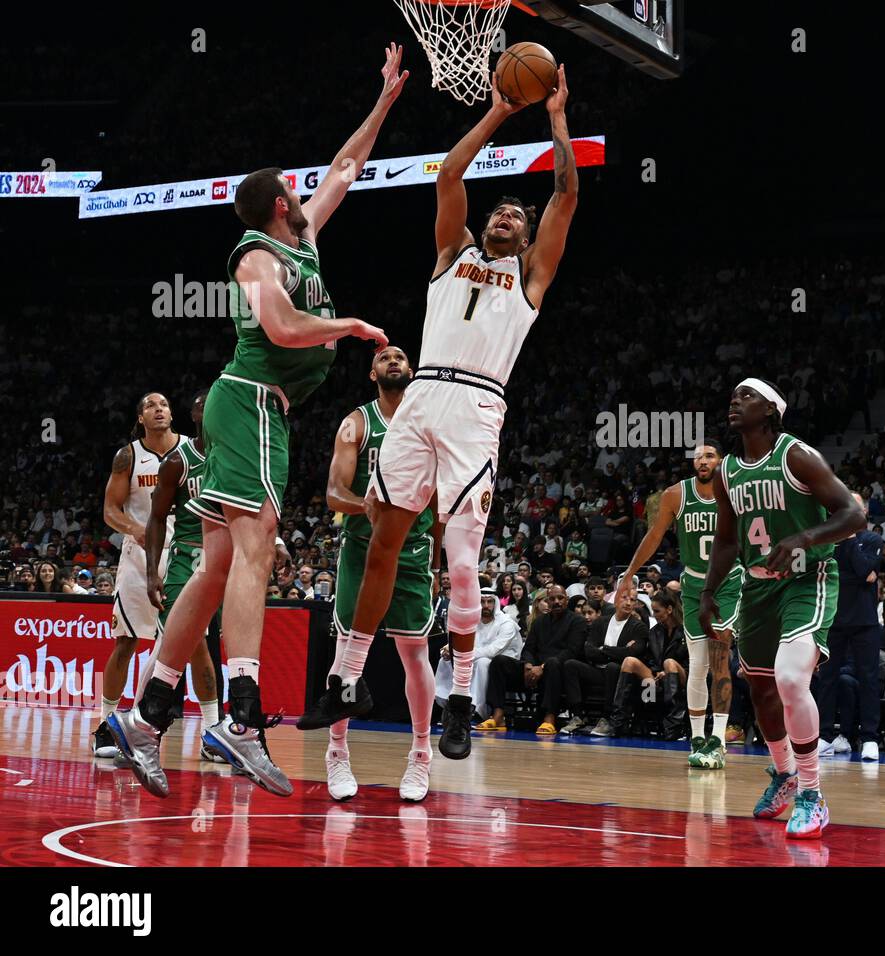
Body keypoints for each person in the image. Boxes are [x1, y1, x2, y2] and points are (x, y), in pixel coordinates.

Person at [109, 45, 402, 799]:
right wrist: (347, 326)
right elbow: (276, 327)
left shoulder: (300, 238)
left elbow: (343, 169)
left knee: (212, 569)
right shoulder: (257, 255)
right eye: (293, 187)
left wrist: (384, 101)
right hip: (252, 401)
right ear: (279, 203)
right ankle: (240, 718)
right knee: (257, 543)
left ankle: (143, 719)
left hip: (248, 406)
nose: (307, 188)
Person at [314, 65, 578, 763]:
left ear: (526, 239)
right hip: (425, 394)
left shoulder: (530, 279)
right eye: (499, 211)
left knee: (461, 566)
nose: (504, 218)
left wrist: (554, 118)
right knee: (383, 540)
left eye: (515, 218)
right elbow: (448, 179)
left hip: (476, 407)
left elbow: (567, 192)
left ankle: (461, 698)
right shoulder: (449, 255)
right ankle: (346, 680)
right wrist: (495, 112)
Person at [700, 378, 866, 839]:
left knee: (792, 677)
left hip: (806, 579)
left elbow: (854, 515)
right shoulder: (728, 470)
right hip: (755, 588)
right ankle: (785, 775)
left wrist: (804, 538)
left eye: (746, 396)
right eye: (732, 395)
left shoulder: (797, 455)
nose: (735, 401)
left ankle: (812, 792)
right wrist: (710, 591)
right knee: (762, 689)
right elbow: (728, 540)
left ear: (771, 411)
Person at [302, 346, 443, 803]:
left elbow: (442, 499)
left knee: (414, 650)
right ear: (372, 373)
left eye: (401, 357)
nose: (394, 361)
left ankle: (421, 754)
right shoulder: (357, 423)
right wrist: (363, 503)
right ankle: (337, 751)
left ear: (413, 372)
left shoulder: (428, 421)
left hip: (413, 551)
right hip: (362, 550)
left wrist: (439, 559)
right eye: (385, 358)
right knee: (346, 649)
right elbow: (333, 491)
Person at [616, 440, 742, 769]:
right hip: (693, 586)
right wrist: (630, 572)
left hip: (726, 585)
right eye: (698, 456)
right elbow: (655, 535)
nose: (703, 461)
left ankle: (718, 738)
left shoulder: (735, 491)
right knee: (697, 665)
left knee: (719, 660)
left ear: (720, 460)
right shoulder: (676, 494)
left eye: (710, 455)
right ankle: (698, 737)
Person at [94, 392, 188, 759]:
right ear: (140, 417)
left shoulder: (190, 450)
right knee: (126, 641)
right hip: (139, 555)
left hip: (182, 551)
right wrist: (136, 529)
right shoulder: (128, 456)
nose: (159, 409)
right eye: (151, 405)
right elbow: (109, 510)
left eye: (164, 404)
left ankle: (205, 728)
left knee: (187, 645)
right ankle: (105, 724)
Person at [141, 389, 223, 761]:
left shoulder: (234, 456)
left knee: (195, 647)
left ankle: (209, 731)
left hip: (224, 557)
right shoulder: (178, 461)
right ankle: (135, 724)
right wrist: (151, 574)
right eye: (207, 403)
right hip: (187, 557)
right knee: (180, 645)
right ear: (194, 414)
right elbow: (157, 518)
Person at [817, 493, 885, 760]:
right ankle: (824, 736)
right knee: (826, 680)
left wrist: (848, 539)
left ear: (864, 511)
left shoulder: (872, 539)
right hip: (832, 619)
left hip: (865, 621)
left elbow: (864, 568)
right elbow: (826, 574)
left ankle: (870, 738)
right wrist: (859, 576)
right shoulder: (825, 540)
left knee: (868, 679)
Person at [478, 584, 584, 734]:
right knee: (499, 661)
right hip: (533, 670)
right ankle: (498, 715)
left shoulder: (576, 621)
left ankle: (549, 718)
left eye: (560, 598)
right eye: (552, 599)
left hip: (556, 671)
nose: (557, 602)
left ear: (566, 599)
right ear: (548, 600)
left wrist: (542, 667)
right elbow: (528, 648)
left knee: (553, 663)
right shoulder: (539, 622)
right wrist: (528, 665)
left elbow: (572, 651)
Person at [563, 586, 647, 736]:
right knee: (570, 665)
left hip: (621, 674)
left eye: (632, 600)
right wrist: (617, 650)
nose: (628, 603)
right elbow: (589, 650)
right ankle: (578, 715)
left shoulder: (638, 626)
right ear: (615, 600)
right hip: (597, 670)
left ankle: (607, 719)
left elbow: (633, 653)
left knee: (613, 667)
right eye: (624, 598)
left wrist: (603, 649)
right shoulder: (600, 622)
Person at [609, 588, 689, 738]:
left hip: (684, 676)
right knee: (629, 662)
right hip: (659, 676)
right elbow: (650, 658)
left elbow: (691, 661)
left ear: (669, 609)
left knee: (669, 663)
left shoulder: (687, 630)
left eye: (657, 611)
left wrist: (666, 670)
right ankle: (619, 722)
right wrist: (656, 672)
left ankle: (673, 726)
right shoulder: (654, 632)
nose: (654, 615)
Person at [435, 588, 523, 721]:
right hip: (475, 656)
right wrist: (449, 650)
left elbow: (493, 651)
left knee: (483, 663)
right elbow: (461, 641)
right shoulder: (472, 621)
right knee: (445, 661)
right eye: (482, 601)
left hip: (502, 663)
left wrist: (461, 654)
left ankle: (477, 709)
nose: (486, 606)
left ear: (496, 604)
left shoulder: (507, 623)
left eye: (489, 602)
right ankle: (448, 705)